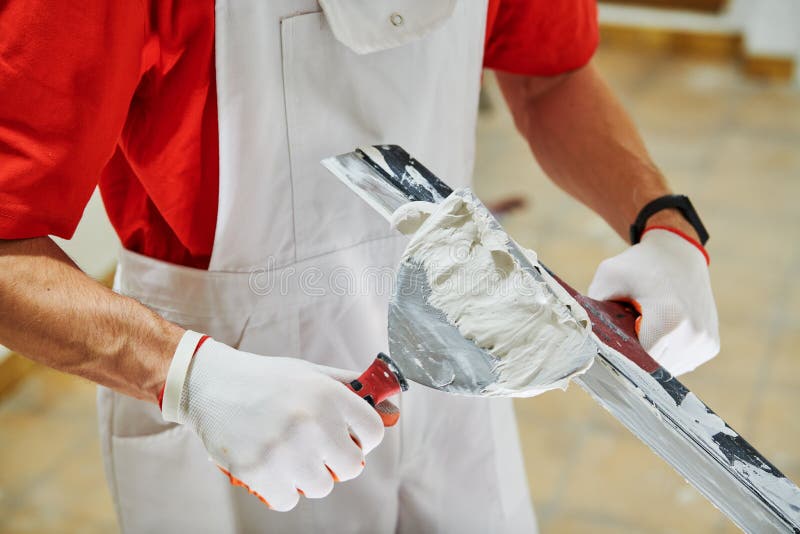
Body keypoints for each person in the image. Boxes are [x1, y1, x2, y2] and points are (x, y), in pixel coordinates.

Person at [0, 0, 719, 532]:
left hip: (457, 363)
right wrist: (186, 376)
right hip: (240, 398)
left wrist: (664, 221)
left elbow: (548, 76)